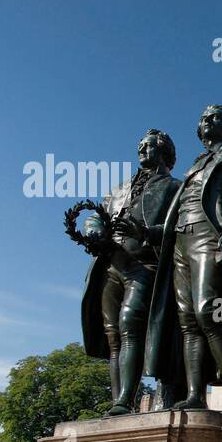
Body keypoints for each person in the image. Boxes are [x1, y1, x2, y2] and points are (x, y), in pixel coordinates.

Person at [146, 105, 222, 414]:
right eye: (203, 118)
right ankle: (196, 394)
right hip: (180, 241)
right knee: (187, 320)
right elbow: (178, 209)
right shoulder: (196, 164)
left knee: (209, 311)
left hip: (209, 235)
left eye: (214, 117)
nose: (206, 122)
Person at [78, 129, 183, 415]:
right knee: (113, 336)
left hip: (145, 266)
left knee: (130, 326)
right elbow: (95, 216)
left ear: (164, 152)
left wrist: (146, 232)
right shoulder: (119, 190)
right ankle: (119, 403)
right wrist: (94, 232)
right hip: (111, 264)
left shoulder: (175, 187)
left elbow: (182, 229)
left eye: (149, 146)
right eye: (140, 145)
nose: (142, 150)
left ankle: (125, 400)